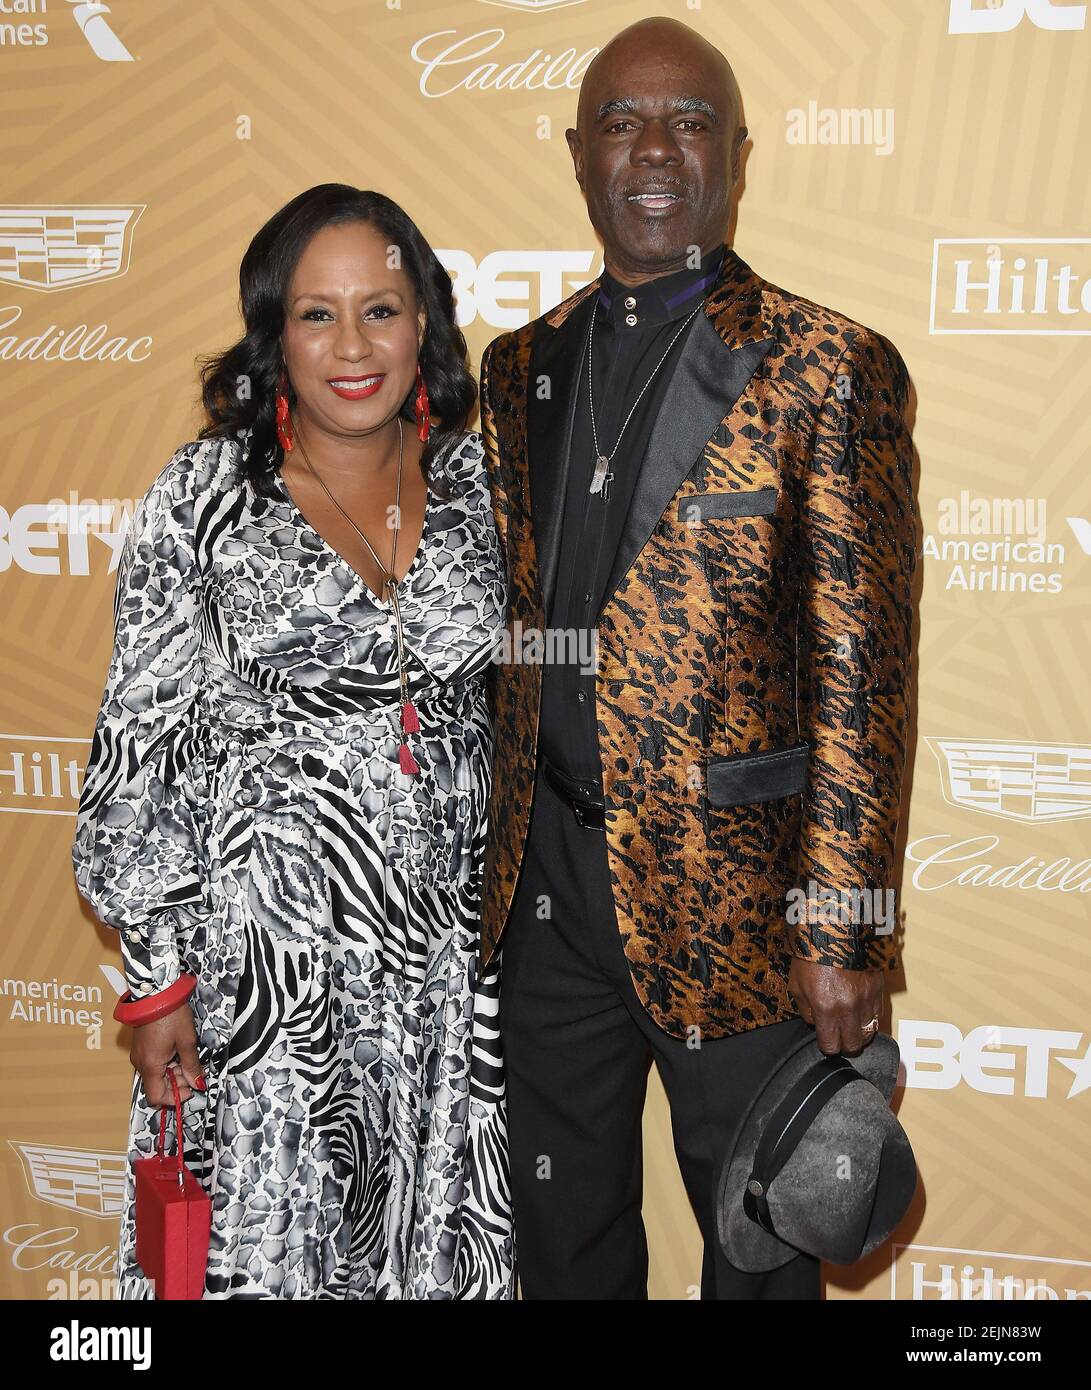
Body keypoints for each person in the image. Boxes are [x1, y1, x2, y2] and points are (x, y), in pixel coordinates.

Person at [477, 17, 919, 1300]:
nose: (653, 148)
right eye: (621, 120)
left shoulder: (822, 366)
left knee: (759, 1253)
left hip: (740, 897)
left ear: (736, 156)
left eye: (687, 122)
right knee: (560, 1239)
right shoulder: (517, 371)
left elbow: (862, 666)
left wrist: (843, 922)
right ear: (577, 157)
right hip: (546, 885)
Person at [71, 183, 514, 1300]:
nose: (352, 346)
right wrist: (157, 983)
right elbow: (139, 748)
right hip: (263, 984)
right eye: (316, 315)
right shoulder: (203, 498)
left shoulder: (482, 489)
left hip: (444, 980)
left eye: (381, 309)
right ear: (274, 334)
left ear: (426, 323)